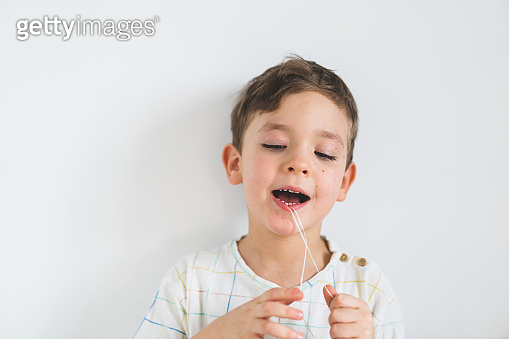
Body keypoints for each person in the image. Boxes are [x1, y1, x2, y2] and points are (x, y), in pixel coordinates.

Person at [134, 55, 405, 338]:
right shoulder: (191, 281)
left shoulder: (367, 286)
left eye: (324, 153)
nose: (299, 163)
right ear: (236, 164)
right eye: (275, 144)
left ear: (343, 183)